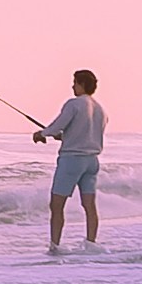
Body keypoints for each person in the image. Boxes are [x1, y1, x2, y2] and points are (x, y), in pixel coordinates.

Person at [34, 70, 108, 250]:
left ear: (82, 84)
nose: (72, 86)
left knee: (57, 204)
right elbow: (85, 132)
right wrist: (65, 136)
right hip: (92, 161)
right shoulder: (100, 109)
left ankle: (55, 246)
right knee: (89, 205)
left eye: (75, 82)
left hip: (72, 160)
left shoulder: (74, 104)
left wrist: (41, 134)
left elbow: (58, 125)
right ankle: (91, 243)